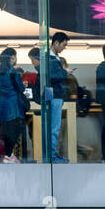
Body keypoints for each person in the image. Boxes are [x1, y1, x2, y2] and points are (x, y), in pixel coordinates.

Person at [0, 48, 27, 163]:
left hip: (2, 104)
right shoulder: (13, 71)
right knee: (15, 130)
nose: (15, 59)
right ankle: (8, 155)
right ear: (10, 58)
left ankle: (8, 155)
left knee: (6, 130)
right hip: (13, 105)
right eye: (14, 57)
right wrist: (23, 85)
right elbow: (21, 88)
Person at [42, 32, 70, 162]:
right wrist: (65, 72)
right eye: (64, 45)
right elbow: (53, 77)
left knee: (52, 127)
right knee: (54, 127)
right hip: (55, 95)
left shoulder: (52, 58)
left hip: (53, 95)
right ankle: (51, 155)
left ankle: (51, 154)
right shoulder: (50, 59)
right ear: (56, 43)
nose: (64, 47)